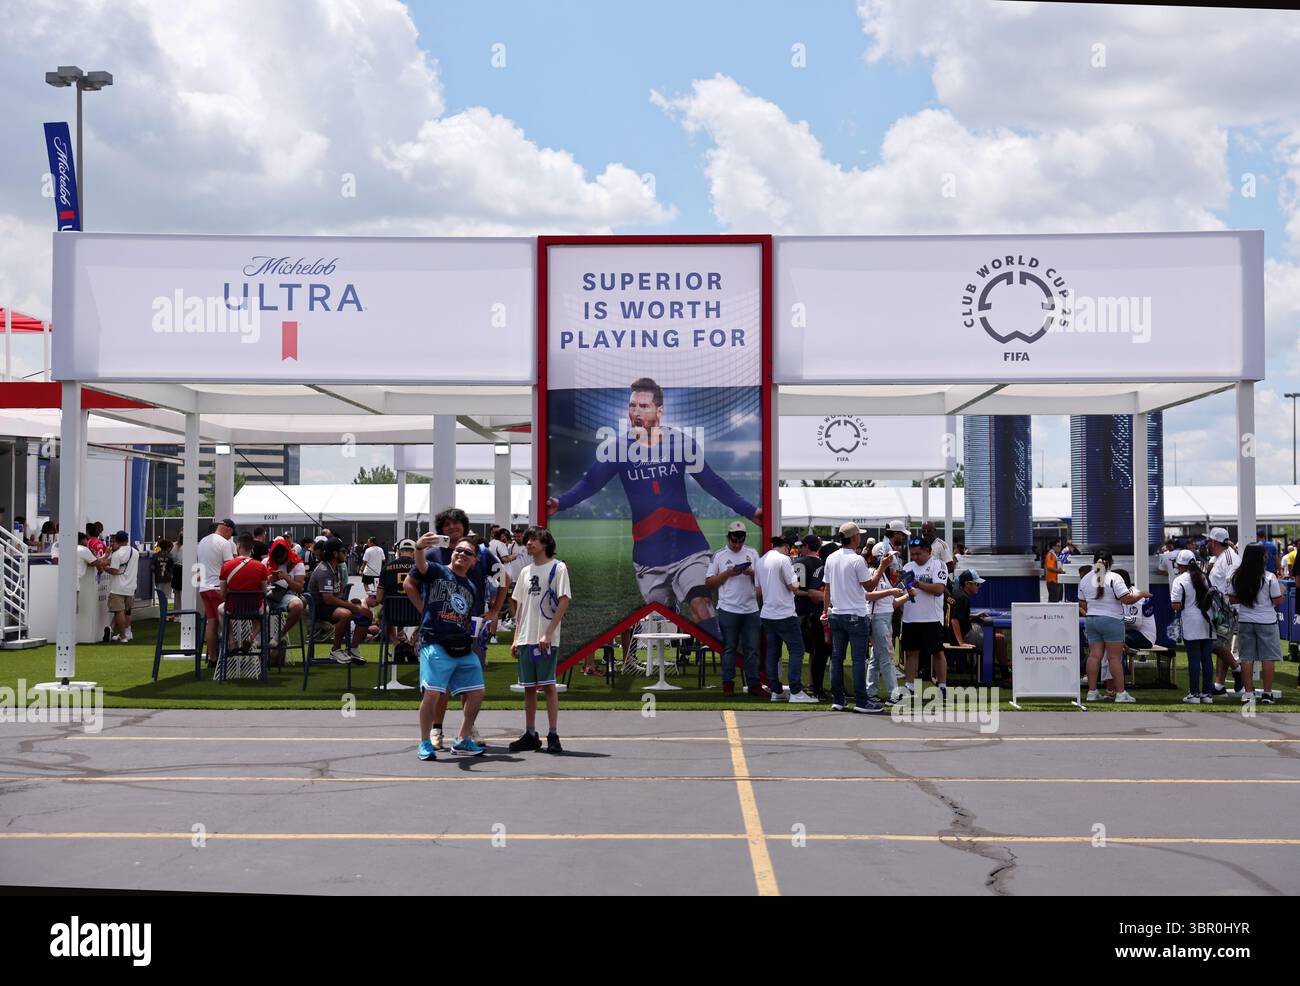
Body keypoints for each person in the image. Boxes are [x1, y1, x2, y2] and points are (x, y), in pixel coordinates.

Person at [546, 377, 760, 641]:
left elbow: (713, 483)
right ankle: (678, 655)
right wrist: (561, 502)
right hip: (648, 557)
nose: (636, 411)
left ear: (660, 410)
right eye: (633, 405)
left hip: (688, 549)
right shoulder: (617, 448)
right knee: (661, 623)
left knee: (700, 605)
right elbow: (590, 482)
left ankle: (724, 662)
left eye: (644, 406)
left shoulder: (681, 443)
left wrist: (751, 511)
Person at [422, 507, 505, 750]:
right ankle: (436, 729)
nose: (452, 528)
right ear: (441, 529)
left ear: (464, 526)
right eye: (447, 525)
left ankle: (467, 731)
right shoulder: (434, 552)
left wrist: (495, 611)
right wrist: (425, 610)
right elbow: (410, 584)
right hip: (441, 627)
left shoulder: (481, 552)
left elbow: (503, 580)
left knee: (472, 683)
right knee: (439, 685)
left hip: (473, 626)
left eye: (457, 524)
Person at [407, 532, 489, 760]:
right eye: (458, 551)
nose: (462, 554)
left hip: (461, 645)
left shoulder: (471, 587)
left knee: (477, 692)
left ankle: (463, 739)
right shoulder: (437, 570)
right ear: (452, 554)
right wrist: (419, 547)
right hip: (434, 640)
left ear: (474, 562)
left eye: (468, 553)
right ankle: (424, 742)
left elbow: (468, 618)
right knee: (433, 692)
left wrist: (480, 629)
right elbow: (420, 565)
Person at [508, 527, 572, 752]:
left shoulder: (558, 567)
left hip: (546, 638)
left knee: (548, 686)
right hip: (526, 637)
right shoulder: (525, 571)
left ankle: (553, 734)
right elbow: (521, 607)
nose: (529, 543)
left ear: (545, 543)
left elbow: (564, 600)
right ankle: (530, 732)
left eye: (534, 539)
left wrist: (548, 633)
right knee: (528, 687)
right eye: (527, 540)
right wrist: (517, 638)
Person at [820, 522, 888, 714]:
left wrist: (826, 611)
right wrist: (882, 566)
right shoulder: (857, 560)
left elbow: (827, 589)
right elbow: (869, 587)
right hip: (856, 615)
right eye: (859, 535)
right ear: (855, 538)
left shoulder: (831, 558)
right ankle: (861, 700)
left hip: (837, 613)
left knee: (836, 658)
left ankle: (839, 699)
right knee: (858, 660)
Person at [1078, 550, 1149, 703]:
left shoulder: (1085, 579)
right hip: (1112, 620)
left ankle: (1092, 692)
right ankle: (1121, 693)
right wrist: (1142, 594)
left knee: (1094, 656)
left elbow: (1082, 602)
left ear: (1094, 561)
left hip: (1092, 619)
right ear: (1111, 562)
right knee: (1114, 657)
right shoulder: (1115, 577)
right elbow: (1127, 599)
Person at [704, 521, 762, 697]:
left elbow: (761, 579)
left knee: (752, 648)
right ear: (728, 537)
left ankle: (754, 685)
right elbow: (708, 583)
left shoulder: (752, 553)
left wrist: (751, 572)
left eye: (740, 542)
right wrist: (727, 573)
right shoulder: (719, 555)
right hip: (728, 609)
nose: (737, 545)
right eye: (734, 542)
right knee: (729, 648)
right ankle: (728, 684)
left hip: (750, 609)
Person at [757, 535, 815, 703]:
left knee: (773, 653)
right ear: (786, 547)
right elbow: (793, 587)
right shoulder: (784, 559)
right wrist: (798, 582)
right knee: (797, 650)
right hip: (784, 613)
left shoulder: (761, 561)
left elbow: (758, 590)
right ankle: (796, 691)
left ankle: (776, 690)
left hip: (767, 613)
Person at [1228, 543, 1283, 705]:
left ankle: (1249, 693)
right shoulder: (1269, 577)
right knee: (1268, 658)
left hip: (1245, 620)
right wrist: (1283, 592)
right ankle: (1267, 693)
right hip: (1267, 621)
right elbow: (1277, 600)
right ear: (1262, 558)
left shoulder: (1237, 576)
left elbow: (1232, 598)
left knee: (1246, 658)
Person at [307, 537, 370, 665]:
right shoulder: (324, 570)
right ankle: (335, 649)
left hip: (331, 605)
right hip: (320, 608)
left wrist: (353, 604)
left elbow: (337, 595)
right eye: (343, 552)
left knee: (366, 613)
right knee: (345, 614)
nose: (346, 554)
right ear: (335, 554)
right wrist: (350, 606)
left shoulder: (336, 568)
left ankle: (352, 648)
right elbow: (328, 599)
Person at [901, 536, 951, 699]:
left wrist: (917, 584)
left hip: (932, 618)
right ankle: (909, 687)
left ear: (928, 552)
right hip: (910, 617)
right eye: (913, 554)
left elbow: (939, 589)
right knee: (910, 653)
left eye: (918, 554)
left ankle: (942, 687)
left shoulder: (938, 565)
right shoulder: (907, 567)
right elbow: (902, 590)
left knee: (937, 652)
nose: (915, 557)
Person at [1170, 549, 1215, 704]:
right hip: (1208, 621)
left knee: (1194, 659)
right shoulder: (1205, 577)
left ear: (1180, 565)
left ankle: (1194, 694)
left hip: (1190, 622)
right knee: (1207, 658)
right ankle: (1207, 694)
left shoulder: (1180, 580)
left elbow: (1176, 604)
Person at [866, 541, 908, 704]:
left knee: (877, 657)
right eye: (889, 557)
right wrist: (891, 591)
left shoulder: (885, 575)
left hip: (884, 618)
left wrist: (907, 596)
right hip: (877, 618)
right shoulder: (873, 572)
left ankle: (871, 691)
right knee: (886, 657)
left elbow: (890, 603)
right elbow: (868, 595)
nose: (893, 560)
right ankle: (893, 694)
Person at [1205, 528, 1244, 696]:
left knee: (1217, 644)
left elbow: (1232, 581)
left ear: (1214, 542)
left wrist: (1226, 603)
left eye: (1209, 541)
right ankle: (1219, 684)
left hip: (1225, 609)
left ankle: (1237, 669)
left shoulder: (1229, 558)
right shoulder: (1222, 557)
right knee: (1223, 645)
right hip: (1221, 607)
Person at [949, 569, 1007, 680]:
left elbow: (958, 616)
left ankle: (1002, 662)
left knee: (997, 629)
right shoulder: (963, 598)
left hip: (961, 631)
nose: (979, 587)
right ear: (967, 584)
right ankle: (1005, 673)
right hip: (963, 635)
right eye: (977, 584)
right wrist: (961, 643)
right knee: (1000, 639)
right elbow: (954, 620)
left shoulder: (956, 593)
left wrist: (974, 616)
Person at [791, 534, 829, 701]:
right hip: (817, 610)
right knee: (816, 650)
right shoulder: (823, 564)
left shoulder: (798, 563)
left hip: (799, 609)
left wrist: (807, 593)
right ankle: (813, 682)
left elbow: (794, 588)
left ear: (806, 546)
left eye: (802, 546)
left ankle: (800, 683)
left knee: (799, 650)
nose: (800, 549)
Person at [219, 534, 270, 654]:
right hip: (255, 609)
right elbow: (264, 591)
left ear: (238, 546)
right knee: (266, 611)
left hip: (233, 609)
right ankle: (251, 638)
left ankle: (232, 641)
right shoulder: (261, 567)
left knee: (219, 609)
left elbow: (222, 593)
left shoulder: (226, 566)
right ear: (252, 548)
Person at [196, 519, 236, 665]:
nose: (230, 537)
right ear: (228, 529)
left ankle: (212, 657)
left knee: (211, 622)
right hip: (218, 588)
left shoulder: (202, 542)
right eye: (231, 533)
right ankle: (231, 650)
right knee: (226, 620)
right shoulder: (225, 544)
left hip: (204, 588)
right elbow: (229, 567)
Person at [377, 539, 419, 662]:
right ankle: (411, 644)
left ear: (399, 552)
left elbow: (379, 598)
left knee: (381, 616)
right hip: (416, 614)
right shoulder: (420, 568)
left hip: (392, 615)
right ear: (414, 552)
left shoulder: (387, 567)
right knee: (430, 617)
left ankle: (397, 644)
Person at [266, 539, 307, 654]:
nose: (279, 560)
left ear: (287, 553)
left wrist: (286, 578)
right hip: (267, 595)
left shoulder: (297, 563)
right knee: (255, 606)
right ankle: (257, 638)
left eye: (282, 558)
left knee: (298, 605)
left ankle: (280, 634)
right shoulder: (266, 561)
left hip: (286, 595)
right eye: (276, 558)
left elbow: (299, 588)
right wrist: (270, 579)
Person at [102, 531, 140, 643]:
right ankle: (122, 632)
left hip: (118, 587)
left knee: (119, 611)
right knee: (126, 611)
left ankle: (123, 636)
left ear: (117, 541)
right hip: (131, 586)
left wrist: (105, 568)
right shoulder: (135, 552)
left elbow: (114, 571)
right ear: (127, 540)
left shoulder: (117, 554)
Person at [1044, 538, 1062, 602]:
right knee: (1053, 600)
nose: (1060, 548)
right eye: (1058, 546)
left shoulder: (1055, 555)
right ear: (1053, 547)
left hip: (1056, 581)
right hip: (1052, 581)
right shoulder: (1050, 555)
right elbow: (1049, 567)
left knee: (1056, 600)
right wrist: (1060, 571)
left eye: (1060, 546)